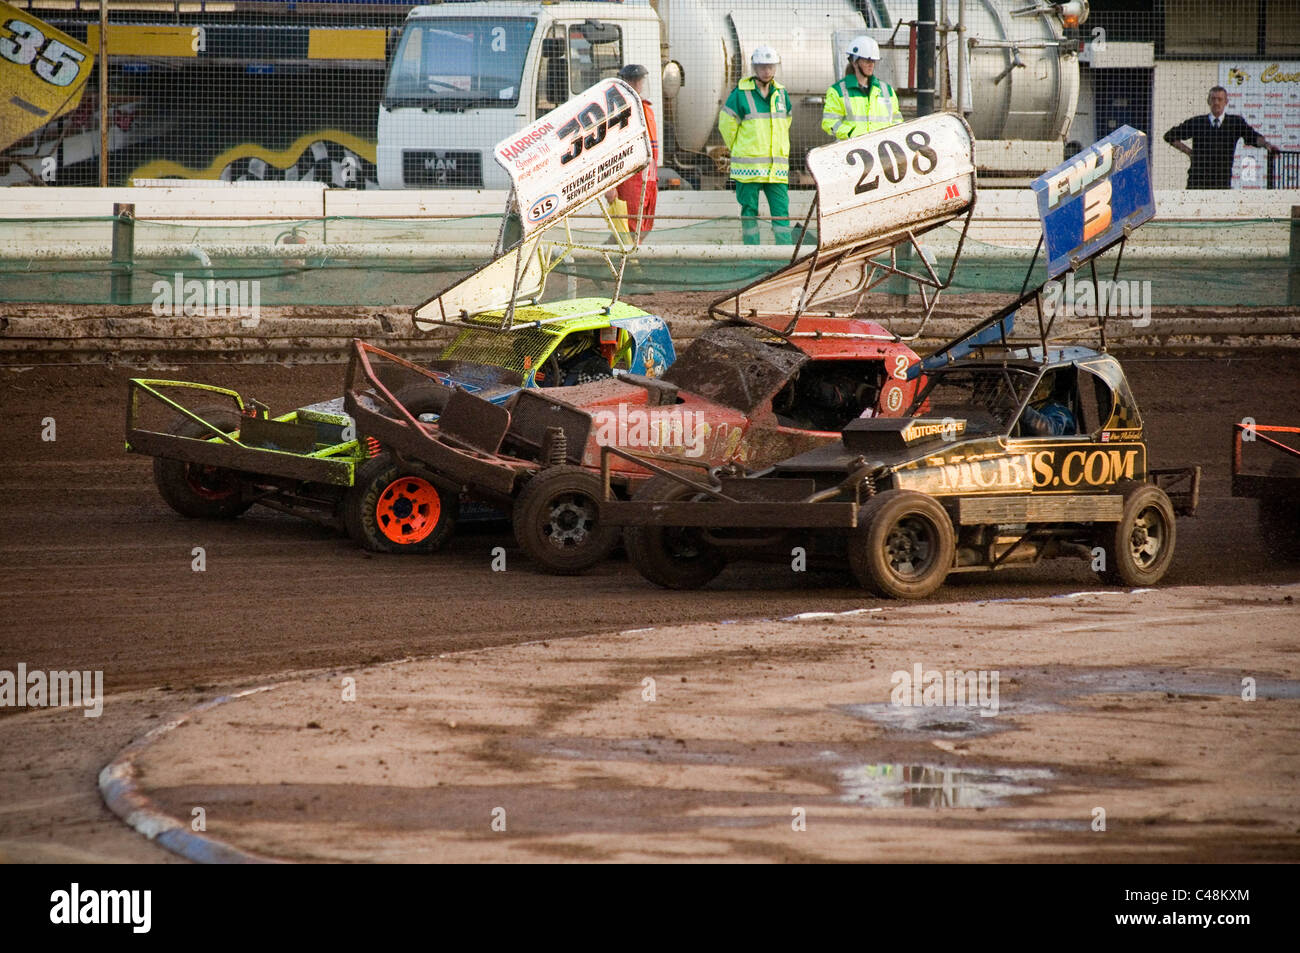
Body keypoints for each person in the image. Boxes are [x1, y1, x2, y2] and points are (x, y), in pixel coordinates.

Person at [718, 45, 794, 245]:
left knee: (781, 213)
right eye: (762, 67)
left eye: (770, 67)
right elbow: (726, 125)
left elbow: (785, 122)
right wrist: (739, 148)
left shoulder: (781, 94)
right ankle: (752, 255)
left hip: (776, 169)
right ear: (754, 68)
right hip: (748, 168)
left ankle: (784, 256)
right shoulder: (740, 93)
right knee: (750, 213)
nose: (766, 71)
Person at [1163, 86, 1279, 189]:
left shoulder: (1235, 122)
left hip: (1222, 182)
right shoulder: (1197, 122)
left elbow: (1253, 137)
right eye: (1213, 99)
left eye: (1220, 99)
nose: (1216, 103)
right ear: (1208, 101)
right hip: (1197, 181)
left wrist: (1267, 145)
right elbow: (1169, 136)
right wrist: (1189, 152)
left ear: (1226, 102)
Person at [821, 36, 903, 141]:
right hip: (851, 150)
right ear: (854, 62)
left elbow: (897, 119)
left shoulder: (887, 90)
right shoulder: (837, 91)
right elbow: (829, 122)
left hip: (881, 150)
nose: (871, 65)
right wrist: (851, 133)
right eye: (867, 61)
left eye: (873, 61)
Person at [609, 63, 658, 235]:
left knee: (644, 226)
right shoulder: (621, 112)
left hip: (648, 178)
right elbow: (611, 150)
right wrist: (610, 185)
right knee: (629, 228)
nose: (638, 84)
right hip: (631, 178)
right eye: (634, 80)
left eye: (639, 80)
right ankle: (625, 260)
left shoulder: (646, 109)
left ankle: (630, 258)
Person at [1019, 373, 1076, 437]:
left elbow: (1051, 432)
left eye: (1027, 383)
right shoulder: (1009, 411)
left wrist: (1022, 411)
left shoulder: (1058, 410)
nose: (1021, 387)